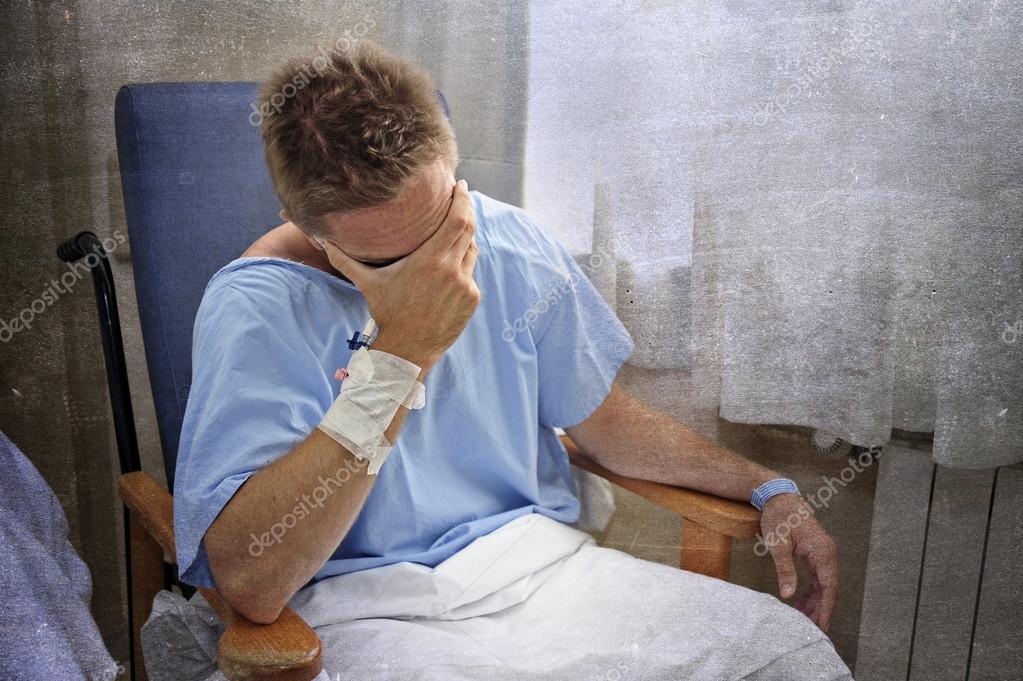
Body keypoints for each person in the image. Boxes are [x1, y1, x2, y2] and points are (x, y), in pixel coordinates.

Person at [165, 38, 853, 680]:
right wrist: (402, 353)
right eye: (393, 261)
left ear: (450, 168)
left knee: (784, 653)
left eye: (445, 226)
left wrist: (767, 486)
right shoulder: (256, 309)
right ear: (311, 231)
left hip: (533, 567)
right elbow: (253, 584)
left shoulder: (510, 241)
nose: (440, 268)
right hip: (358, 606)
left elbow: (607, 424)